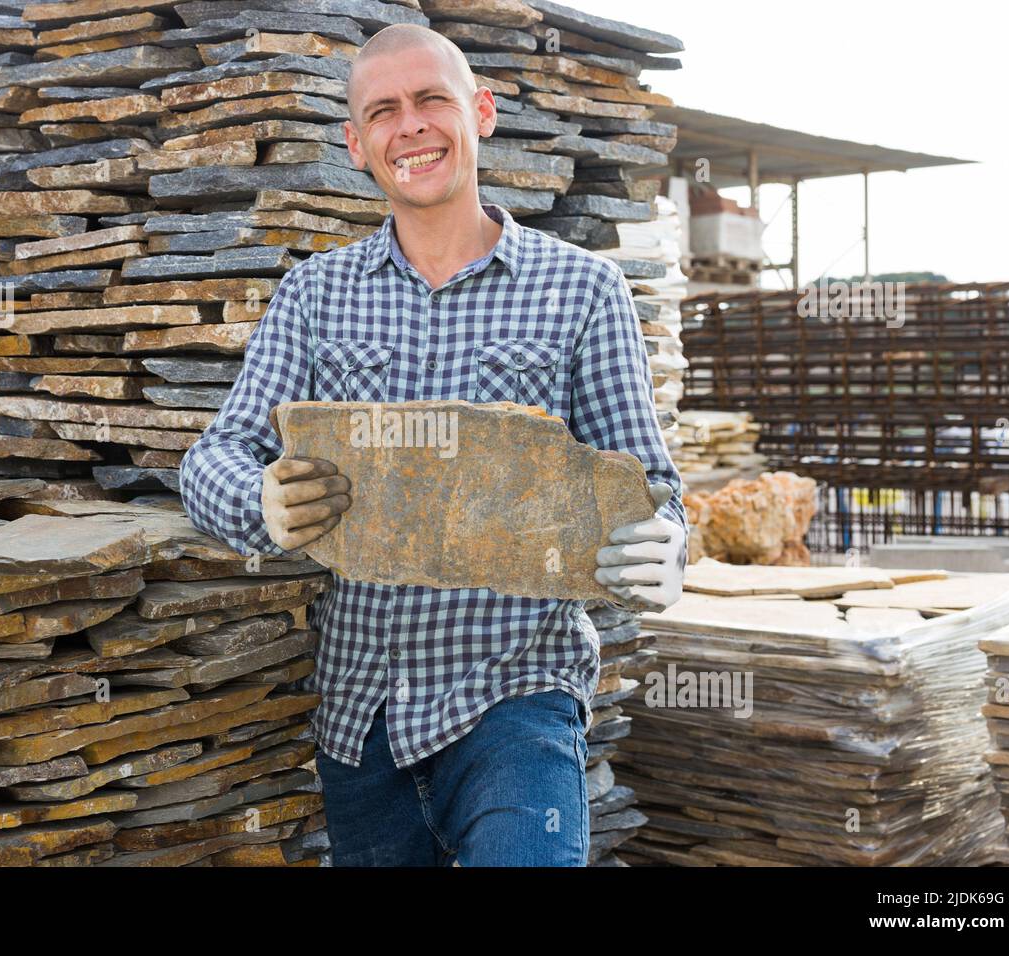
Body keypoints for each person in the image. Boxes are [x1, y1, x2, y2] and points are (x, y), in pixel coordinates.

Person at [180, 23, 686, 867]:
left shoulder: (580, 290)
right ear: (356, 144)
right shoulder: (314, 297)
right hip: (360, 711)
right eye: (383, 111)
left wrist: (666, 545)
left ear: (479, 113)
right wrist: (258, 499)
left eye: (431, 101)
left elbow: (651, 486)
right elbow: (212, 457)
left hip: (517, 700)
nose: (409, 126)